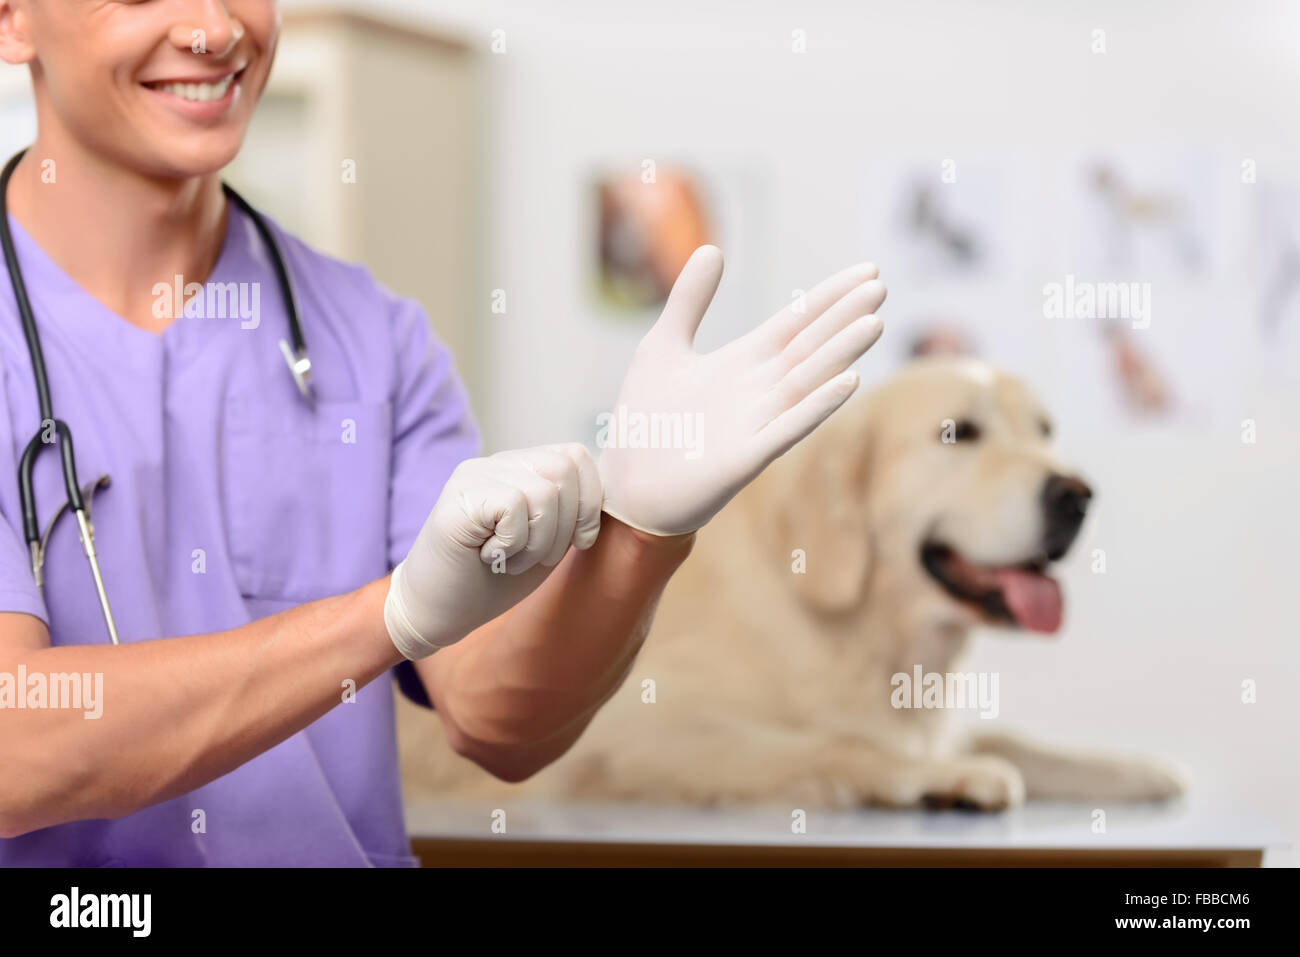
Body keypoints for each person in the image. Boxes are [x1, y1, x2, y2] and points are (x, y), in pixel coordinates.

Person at [0, 0, 887, 866]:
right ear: (12, 20)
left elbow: (500, 722)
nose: (213, 28)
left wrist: (640, 531)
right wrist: (390, 616)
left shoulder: (373, 338)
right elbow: (15, 750)